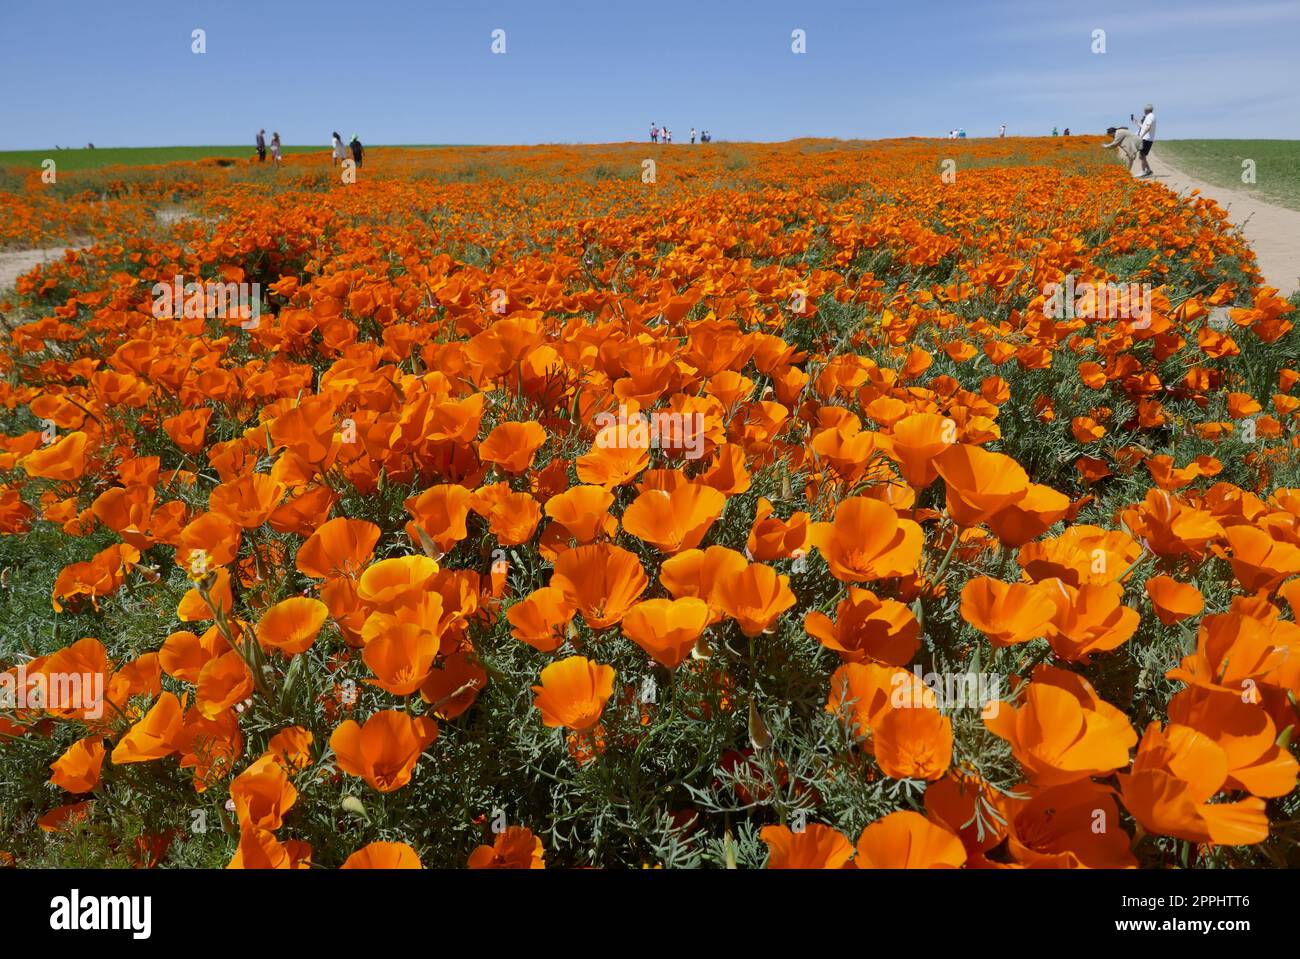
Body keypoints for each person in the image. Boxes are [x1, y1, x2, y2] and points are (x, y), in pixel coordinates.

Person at [1137, 104, 1157, 178]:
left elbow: (1148, 127)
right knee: (1142, 155)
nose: (1143, 111)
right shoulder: (1150, 116)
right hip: (1147, 138)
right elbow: (1144, 127)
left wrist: (1141, 136)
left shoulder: (1150, 116)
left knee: (1142, 155)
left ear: (1147, 110)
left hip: (1146, 138)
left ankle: (1145, 171)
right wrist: (1136, 122)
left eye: (1144, 110)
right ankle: (1147, 170)